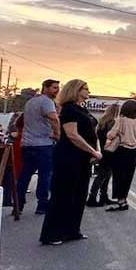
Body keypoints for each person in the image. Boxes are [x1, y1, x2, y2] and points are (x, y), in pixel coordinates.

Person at [40, 80, 101, 246]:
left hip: (82, 158)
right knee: (63, 194)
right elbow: (72, 135)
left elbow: (91, 132)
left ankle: (72, 230)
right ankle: (52, 233)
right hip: (69, 157)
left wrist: (94, 150)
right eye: (85, 89)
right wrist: (92, 151)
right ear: (75, 90)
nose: (88, 91)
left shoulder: (82, 109)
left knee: (79, 194)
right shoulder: (69, 109)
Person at [16, 79, 60, 215]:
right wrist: (57, 134)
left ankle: (18, 204)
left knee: (24, 175)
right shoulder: (47, 101)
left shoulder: (30, 102)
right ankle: (42, 205)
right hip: (43, 144)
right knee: (45, 175)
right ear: (45, 88)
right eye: (54, 88)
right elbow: (54, 118)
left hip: (27, 144)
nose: (57, 90)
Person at [105, 100, 136, 211]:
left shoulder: (121, 120)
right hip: (134, 150)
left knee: (118, 176)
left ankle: (120, 200)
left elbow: (111, 135)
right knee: (128, 176)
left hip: (122, 149)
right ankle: (124, 199)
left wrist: (111, 134)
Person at [85, 104, 120, 207]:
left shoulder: (101, 123)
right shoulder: (113, 123)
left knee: (104, 174)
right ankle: (93, 197)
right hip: (111, 150)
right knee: (103, 175)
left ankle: (102, 196)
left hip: (103, 149)